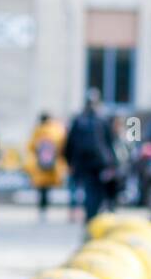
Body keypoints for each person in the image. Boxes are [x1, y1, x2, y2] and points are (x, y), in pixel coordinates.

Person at [65, 90, 111, 223]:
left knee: (87, 188)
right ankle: (93, 213)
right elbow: (109, 142)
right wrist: (110, 162)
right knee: (96, 189)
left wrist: (70, 161)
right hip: (99, 161)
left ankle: (90, 213)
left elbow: (70, 143)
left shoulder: (79, 120)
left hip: (83, 162)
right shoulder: (102, 119)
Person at [25, 111, 67, 220]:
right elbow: (62, 146)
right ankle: (46, 206)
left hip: (39, 164)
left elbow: (30, 146)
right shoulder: (57, 131)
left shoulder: (37, 131)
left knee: (41, 188)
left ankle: (42, 208)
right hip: (53, 164)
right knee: (48, 188)